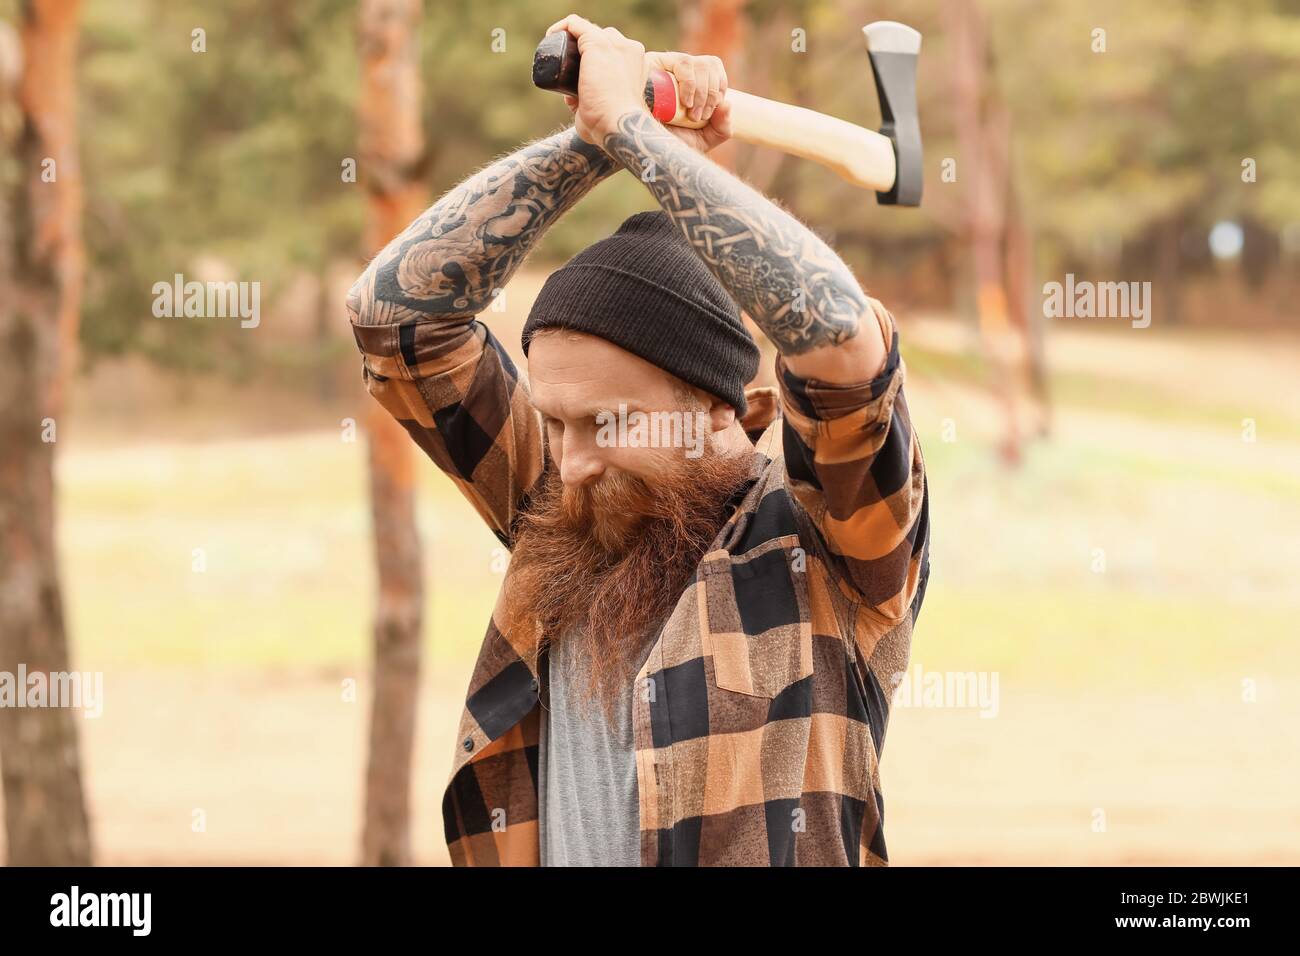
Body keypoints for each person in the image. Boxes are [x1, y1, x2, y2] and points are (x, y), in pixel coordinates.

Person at [346, 14, 930, 867]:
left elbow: (841, 341)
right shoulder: (568, 508)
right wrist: (595, 140)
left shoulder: (833, 553)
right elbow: (392, 317)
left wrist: (640, 135)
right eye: (555, 422)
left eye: (609, 424)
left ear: (725, 412)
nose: (571, 461)